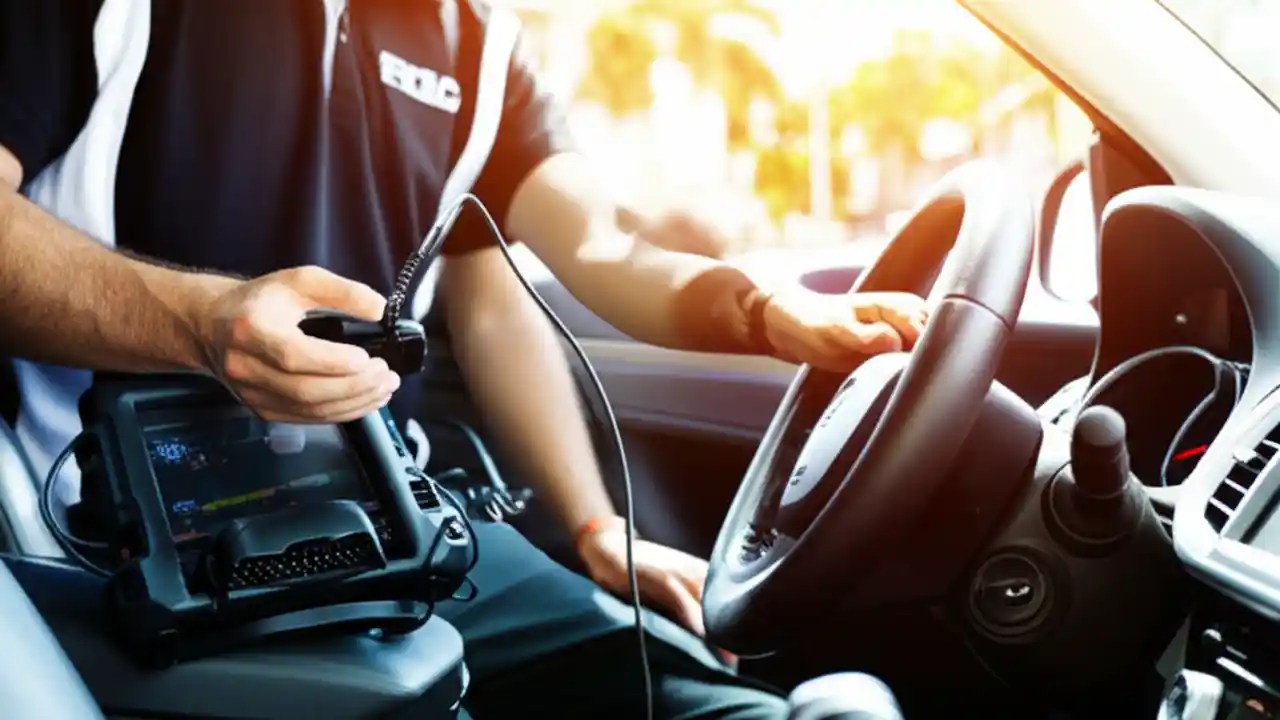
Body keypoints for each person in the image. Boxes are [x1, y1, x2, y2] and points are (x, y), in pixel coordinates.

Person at [0, 2, 926, 717]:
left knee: (696, 694)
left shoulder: (478, 41)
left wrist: (758, 315)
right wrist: (201, 321)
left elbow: (545, 278)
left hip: (396, 514)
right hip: (118, 541)